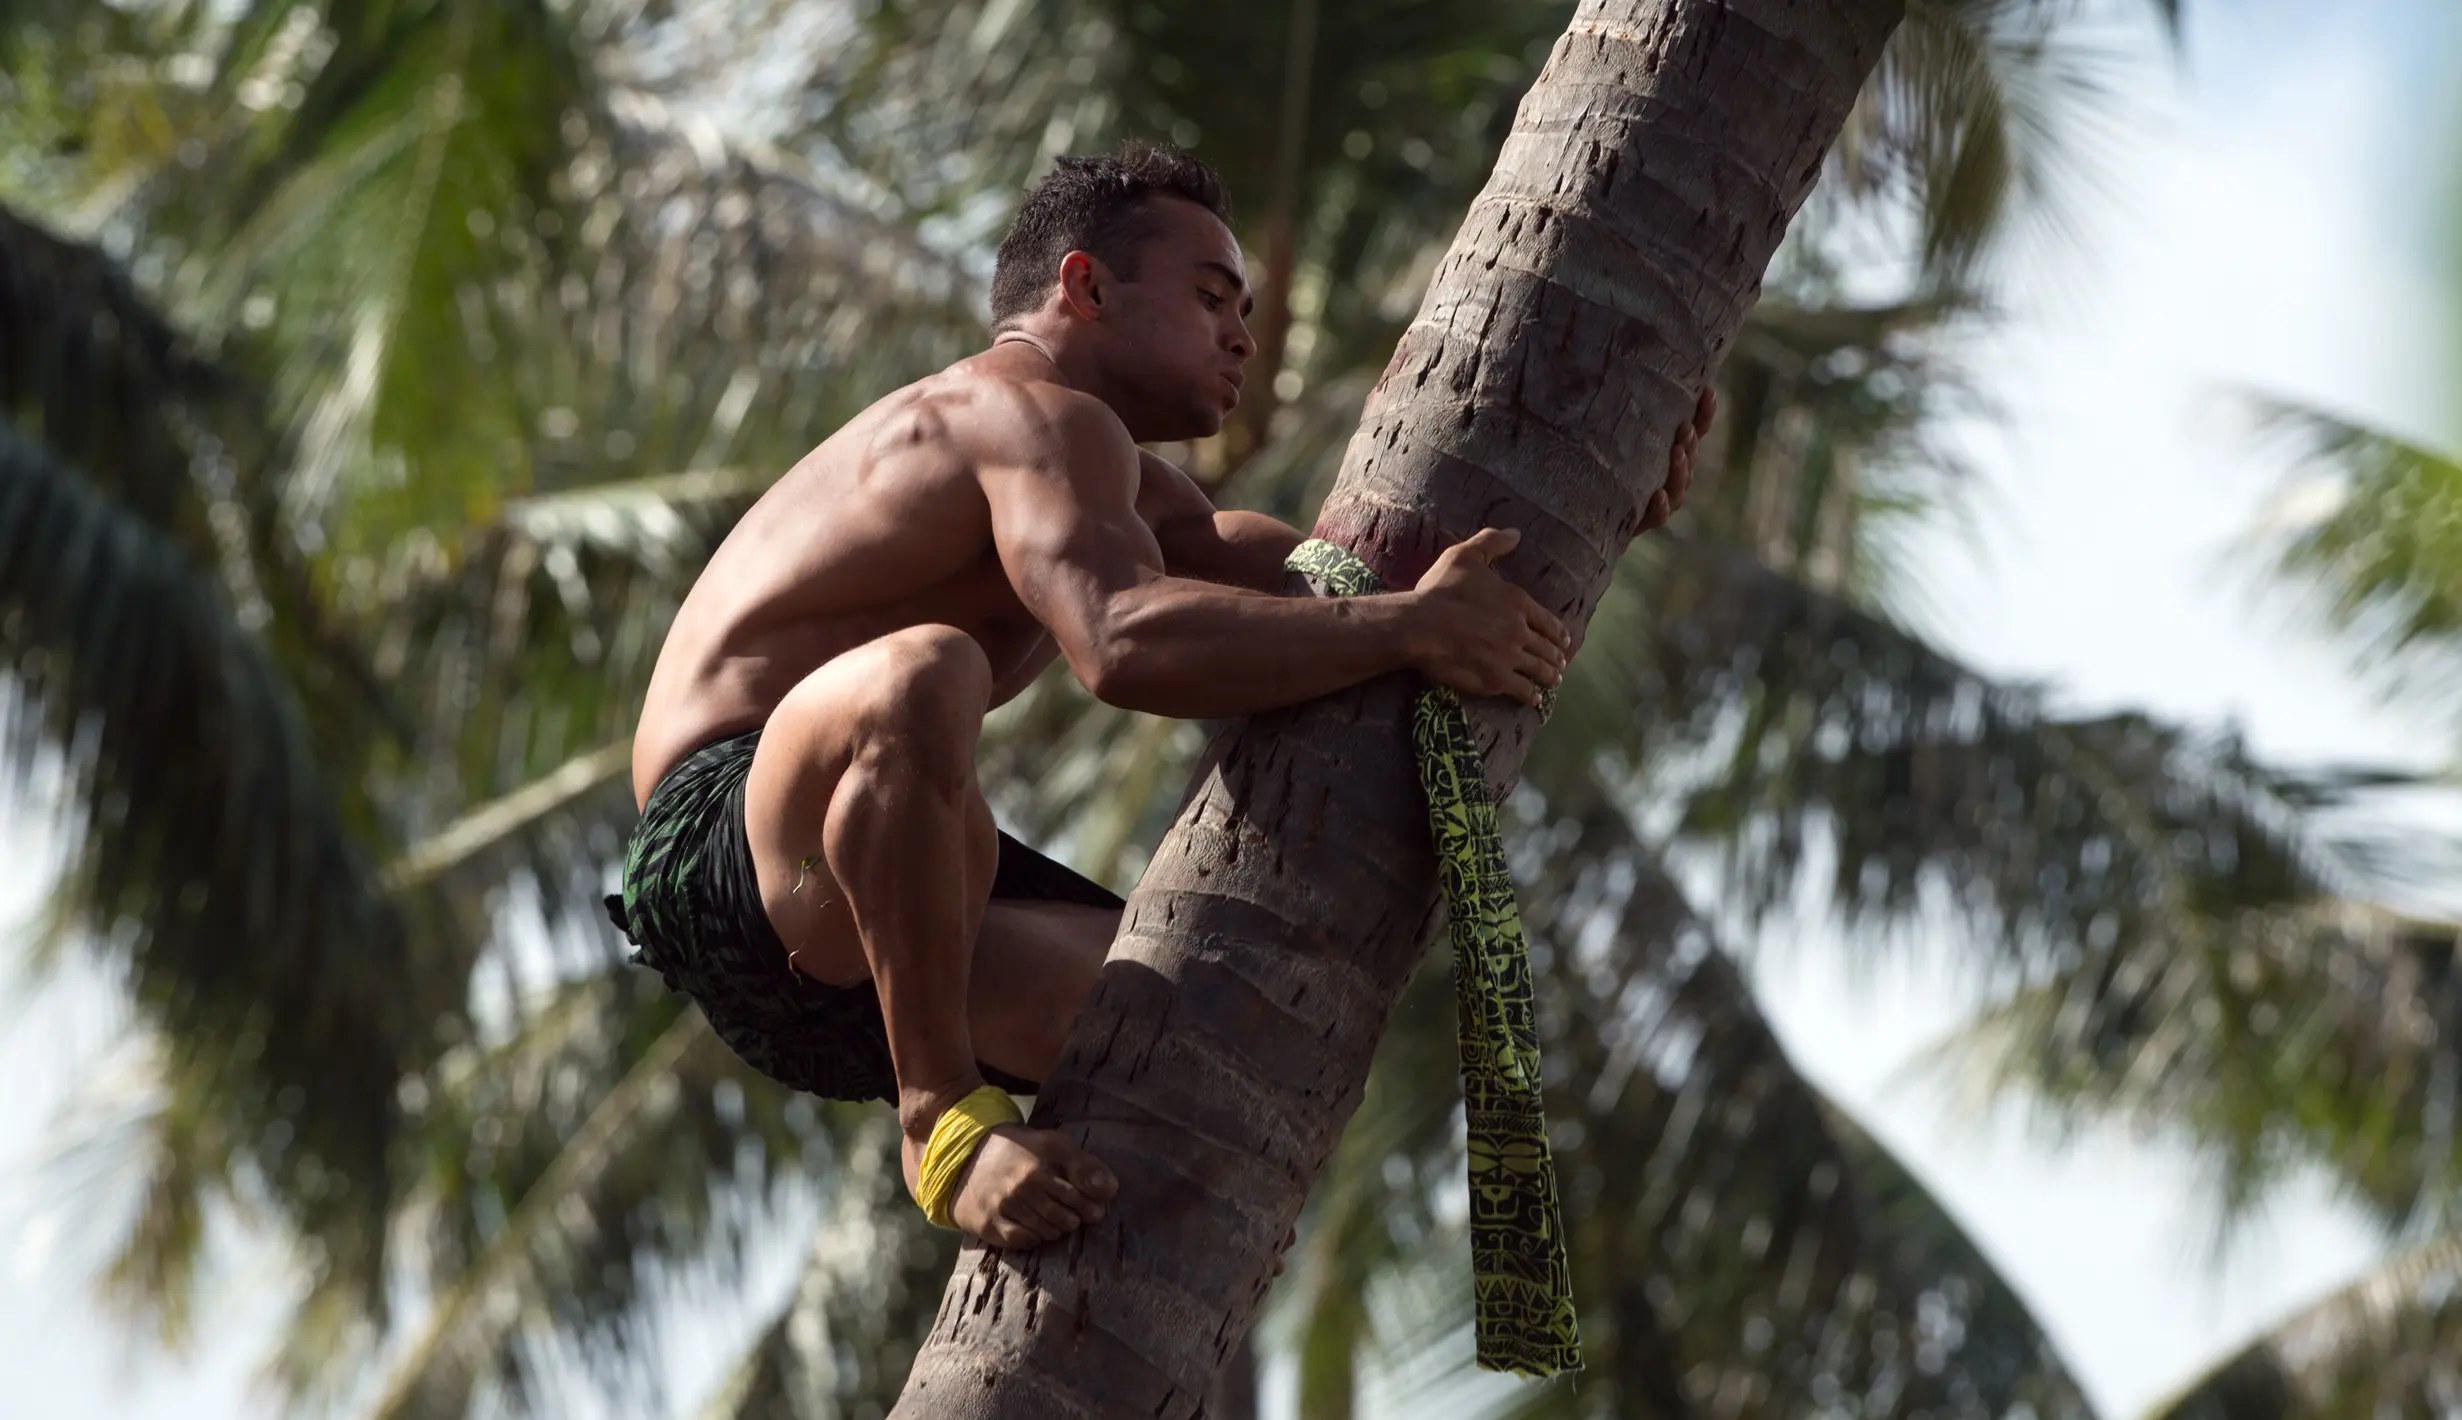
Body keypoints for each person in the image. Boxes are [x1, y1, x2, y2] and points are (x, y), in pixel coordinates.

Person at [609, 142, 1711, 1252]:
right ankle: (939, 1114)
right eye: (1208, 296)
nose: (1239, 332)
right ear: (1084, 286)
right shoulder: (1016, 415)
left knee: (1220, 1023)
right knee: (924, 666)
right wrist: (1411, 625)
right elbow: (1123, 644)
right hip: (738, 843)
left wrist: (1595, 500)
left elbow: (1333, 597)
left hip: (871, 929)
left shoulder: (1132, 490)